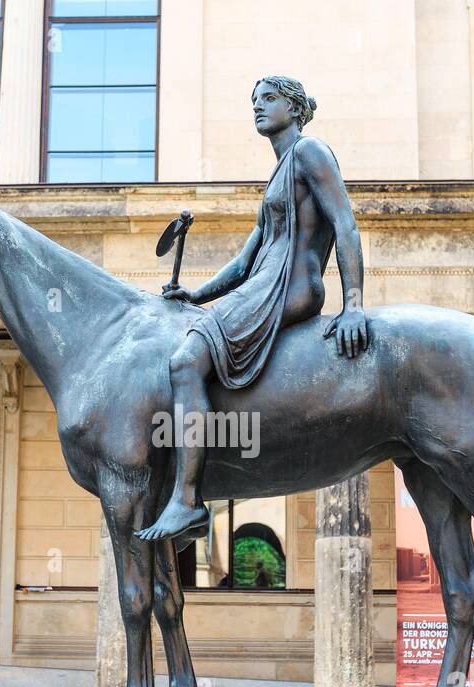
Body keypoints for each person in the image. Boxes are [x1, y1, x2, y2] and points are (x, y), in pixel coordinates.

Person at [137, 76, 369, 542]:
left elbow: (346, 224)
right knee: (189, 344)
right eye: (254, 101)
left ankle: (186, 502)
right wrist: (195, 296)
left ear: (296, 107)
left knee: (185, 362)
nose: (258, 107)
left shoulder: (310, 152)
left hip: (288, 289)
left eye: (269, 99)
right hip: (264, 285)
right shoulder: (280, 175)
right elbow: (244, 262)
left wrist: (355, 305)